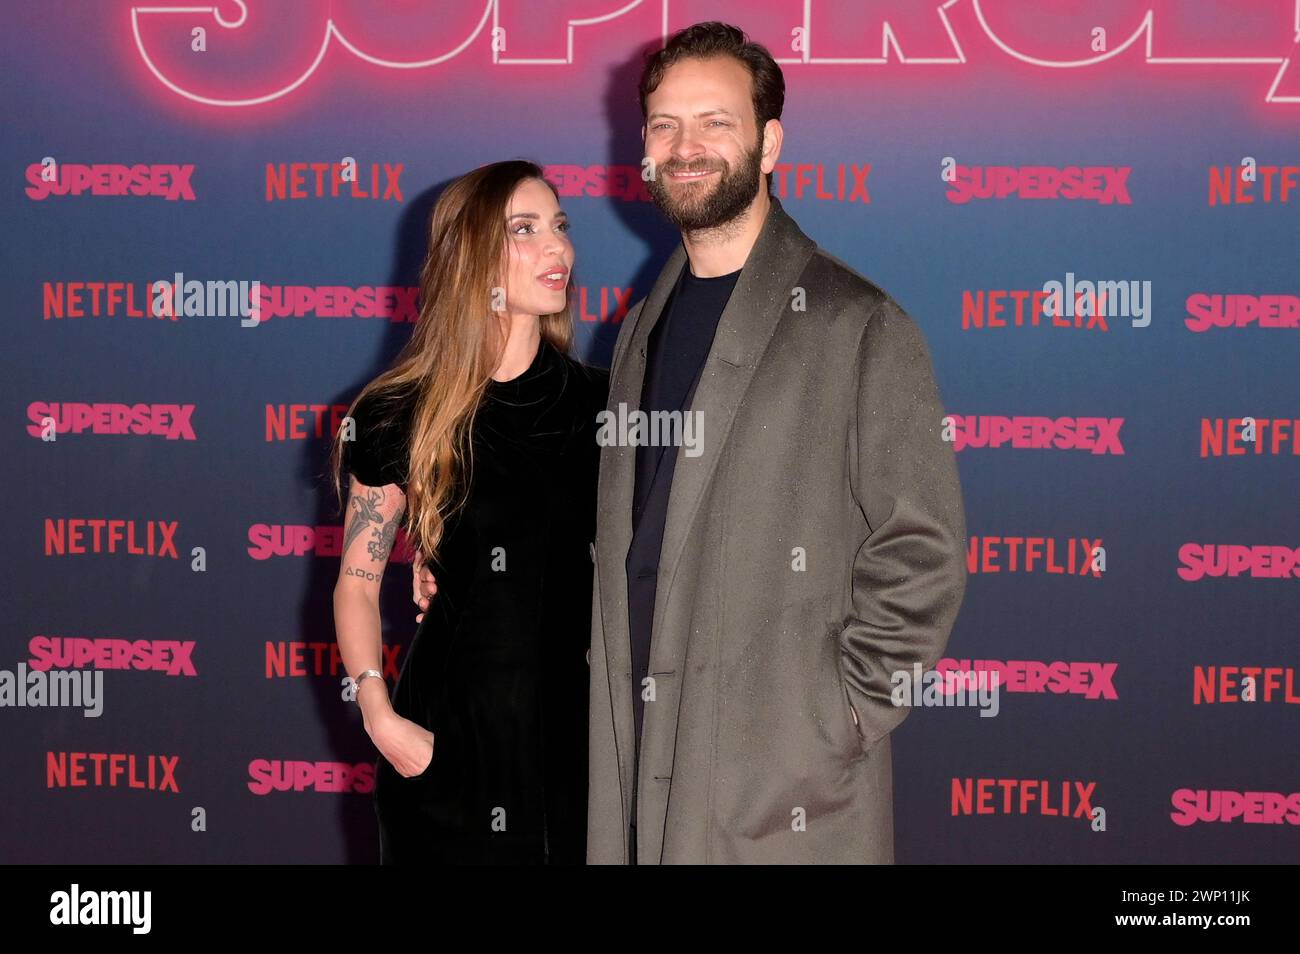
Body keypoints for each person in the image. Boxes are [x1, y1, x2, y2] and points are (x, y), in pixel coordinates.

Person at [416, 22, 968, 864]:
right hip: (636, 778)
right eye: (665, 125)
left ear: (769, 141)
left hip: (782, 797)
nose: (687, 147)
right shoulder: (640, 328)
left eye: (716, 121)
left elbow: (922, 554)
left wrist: (840, 715)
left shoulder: (857, 325)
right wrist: (451, 552)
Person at [330, 160, 608, 864]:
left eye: (560, 226)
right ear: (472, 259)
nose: (559, 248)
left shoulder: (607, 408)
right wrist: (380, 714)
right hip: (444, 752)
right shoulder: (398, 413)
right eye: (525, 229)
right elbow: (357, 584)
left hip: (579, 759)